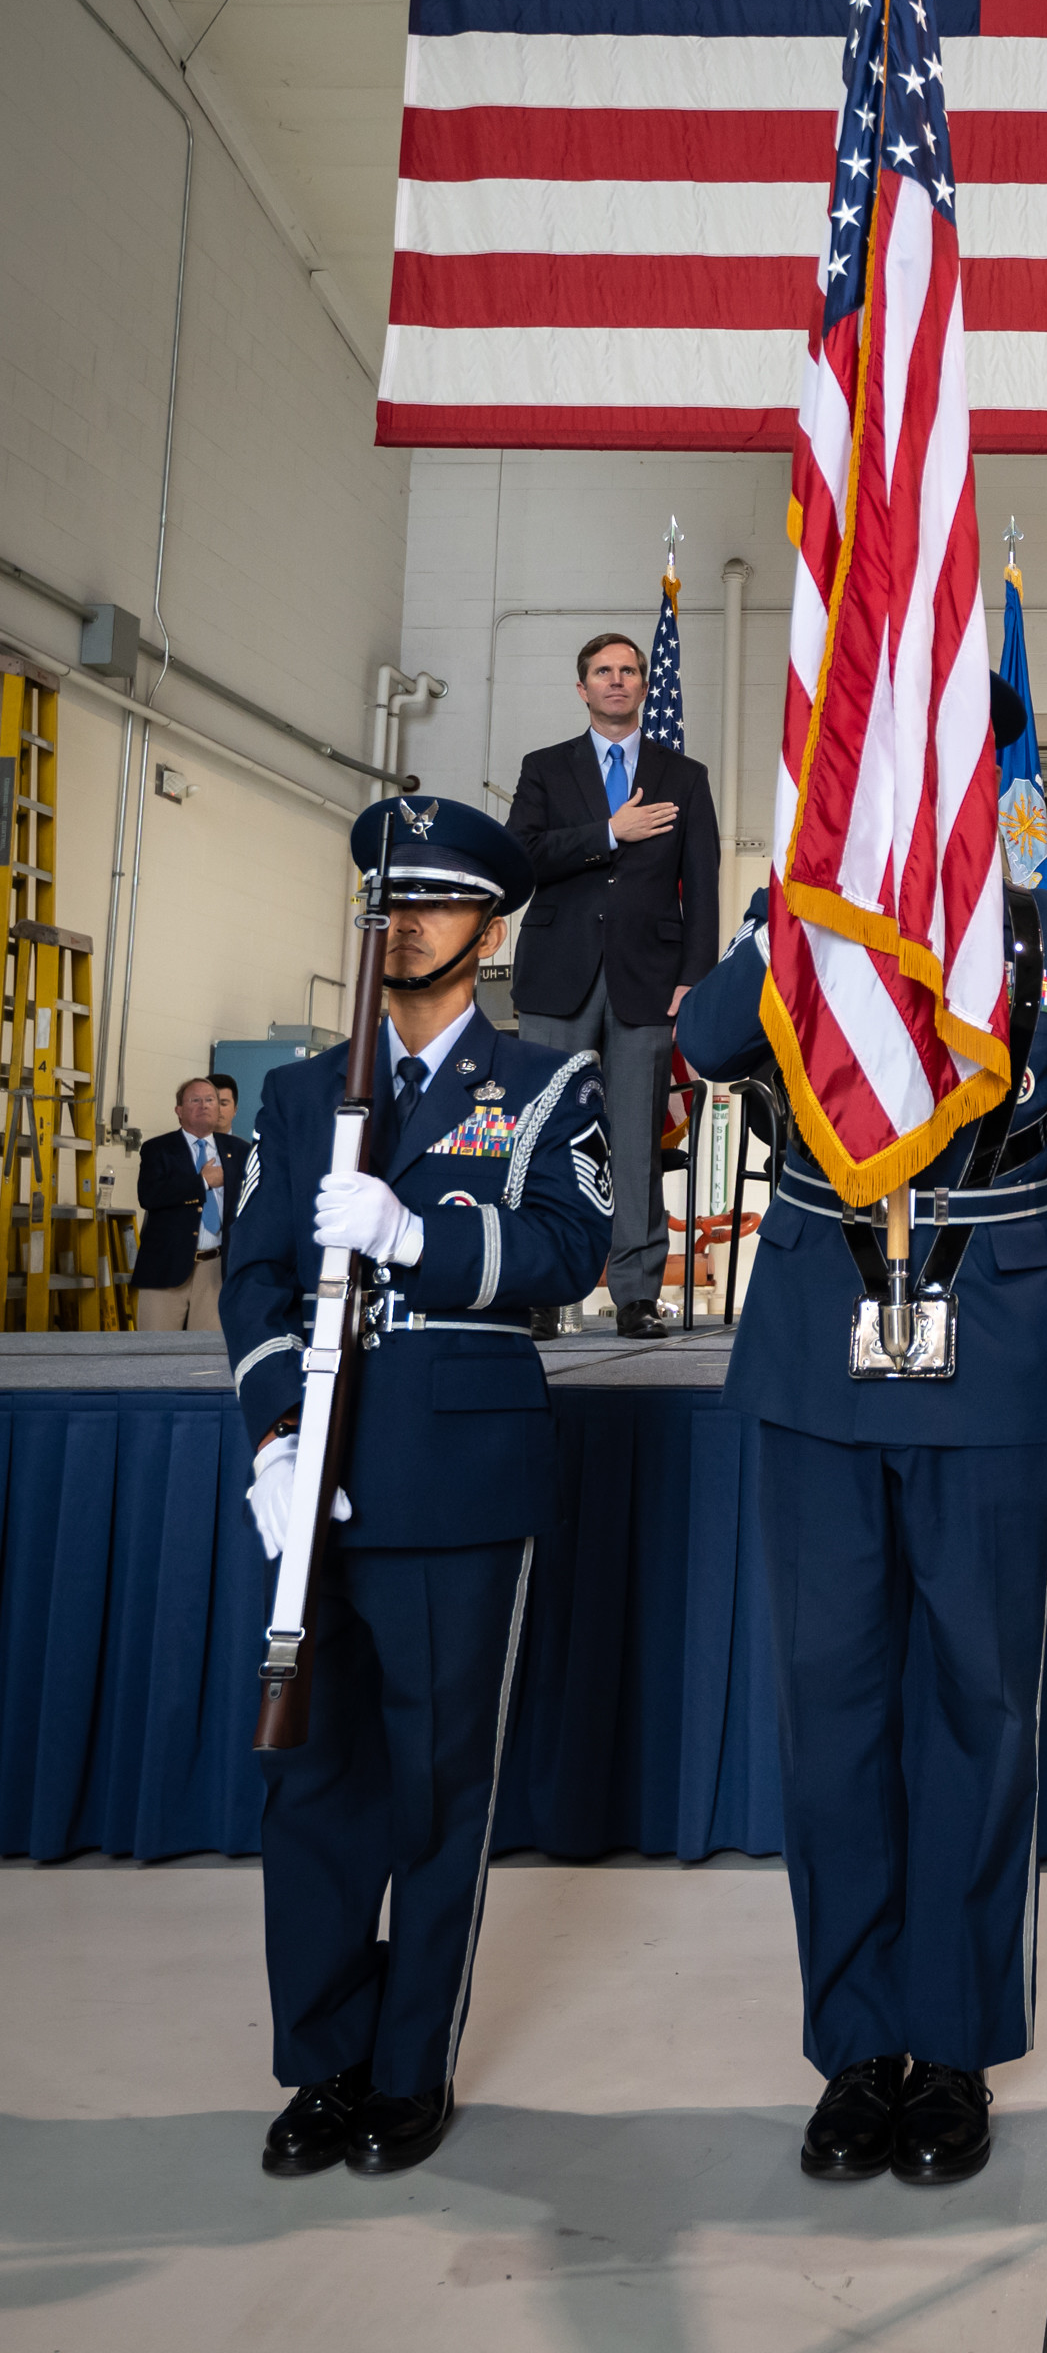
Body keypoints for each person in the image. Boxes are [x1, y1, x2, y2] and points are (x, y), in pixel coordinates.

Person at [675, 673, 1047, 2191]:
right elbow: (699, 1037)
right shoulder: (807, 920)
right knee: (832, 1721)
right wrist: (795, 918)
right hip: (821, 1344)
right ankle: (853, 2046)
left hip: (1000, 1350)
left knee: (978, 1713)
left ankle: (947, 2045)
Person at [221, 797, 613, 2182]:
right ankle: (321, 2062)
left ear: (488, 929)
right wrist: (276, 1436)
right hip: (314, 1486)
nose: (408, 926)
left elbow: (573, 1246)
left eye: (438, 904)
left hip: (454, 1474)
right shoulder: (298, 1091)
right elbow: (255, 1279)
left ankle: (408, 2068)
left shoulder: (546, 1083)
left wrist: (420, 1236)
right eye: (391, 903)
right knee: (311, 1783)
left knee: (440, 1786)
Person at [506, 630, 720, 1339]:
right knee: (541, 1135)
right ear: (583, 688)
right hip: (555, 976)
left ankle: (635, 1294)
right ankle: (537, 1288)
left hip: (649, 982)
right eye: (604, 671)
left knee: (635, 1144)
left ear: (643, 684)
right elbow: (523, 860)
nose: (618, 681)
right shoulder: (544, 768)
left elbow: (706, 883)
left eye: (630, 670)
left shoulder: (683, 776)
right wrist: (610, 829)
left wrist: (697, 975)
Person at [131, 1075, 233, 1329]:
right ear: (179, 1110)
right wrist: (203, 1183)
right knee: (156, 1351)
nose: (204, 1105)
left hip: (217, 1269)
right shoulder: (158, 1149)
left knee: (207, 1355)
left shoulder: (237, 1151)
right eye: (195, 1100)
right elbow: (150, 1196)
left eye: (210, 1100)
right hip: (166, 1266)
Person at [209, 1073, 253, 1216]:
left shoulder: (247, 1154)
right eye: (212, 1102)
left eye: (224, 1103)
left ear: (235, 1109)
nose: (218, 1109)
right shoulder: (184, 1149)